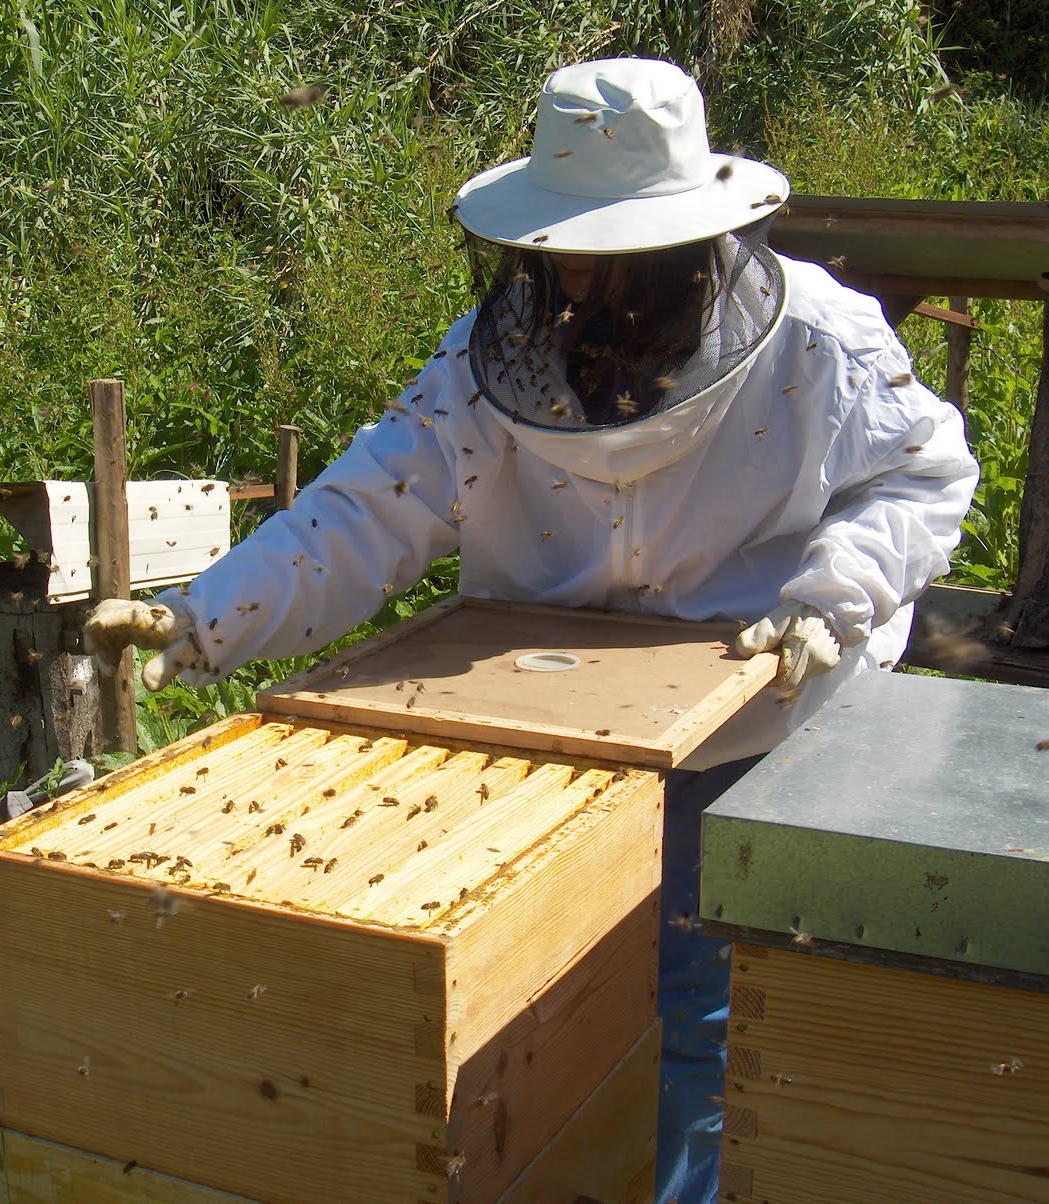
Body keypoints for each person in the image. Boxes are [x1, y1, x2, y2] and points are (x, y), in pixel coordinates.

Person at [85, 57, 978, 1204]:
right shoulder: (485, 359)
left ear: (688, 241)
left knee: (705, 1009)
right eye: (568, 256)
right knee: (532, 1007)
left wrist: (829, 593)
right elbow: (370, 505)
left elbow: (920, 478)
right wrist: (205, 613)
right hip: (542, 723)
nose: (590, 288)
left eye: (617, 259)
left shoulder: (819, 340)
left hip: (758, 712)